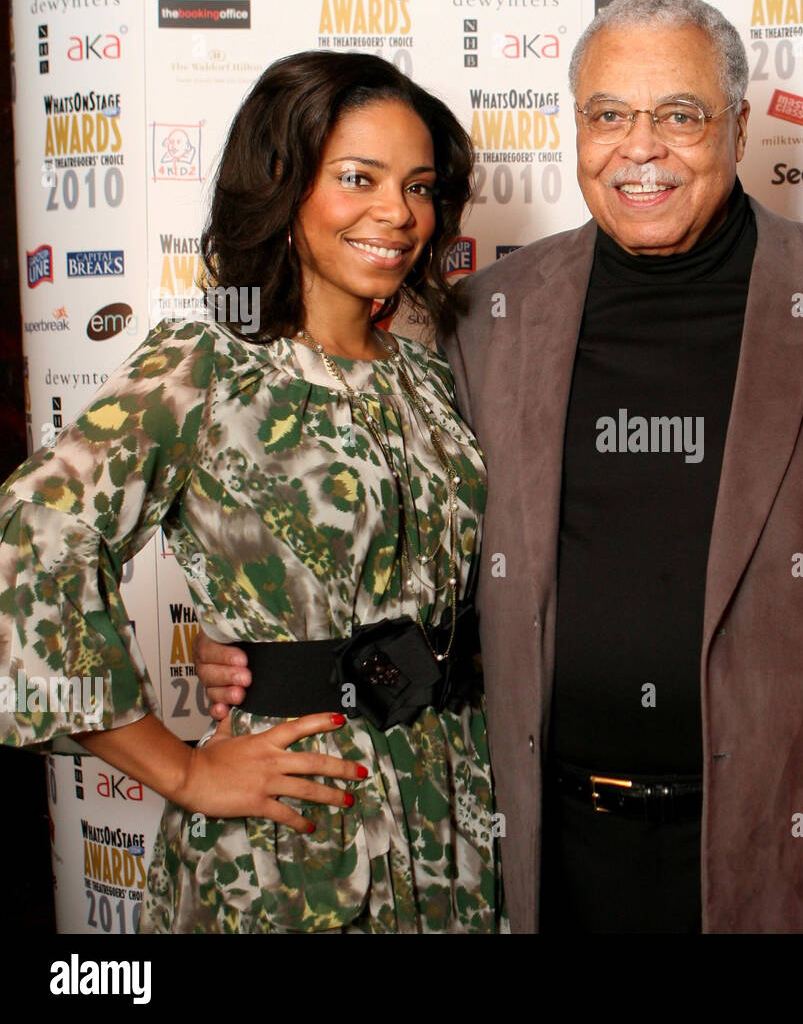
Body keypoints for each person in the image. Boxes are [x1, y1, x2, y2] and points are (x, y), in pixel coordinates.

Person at [199, 0, 803, 933]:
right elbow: (417, 550)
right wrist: (274, 661)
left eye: (679, 114)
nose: (641, 147)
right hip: (547, 852)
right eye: (608, 115)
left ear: (741, 125)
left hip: (779, 849)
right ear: (576, 127)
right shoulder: (485, 317)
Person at [0, 50, 502, 933]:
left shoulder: (428, 375)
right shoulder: (206, 364)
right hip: (295, 837)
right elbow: (32, 539)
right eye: (358, 178)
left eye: (419, 186)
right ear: (282, 186)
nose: (398, 213)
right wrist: (184, 770)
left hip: (454, 813)